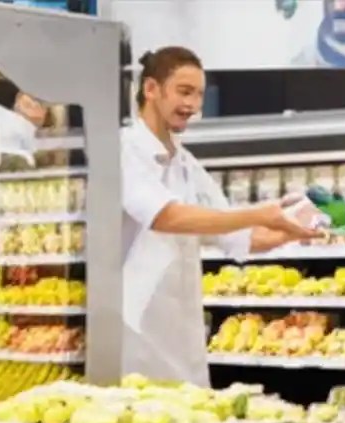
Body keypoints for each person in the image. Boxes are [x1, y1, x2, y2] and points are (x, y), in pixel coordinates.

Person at [122, 46, 319, 385]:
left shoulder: (186, 164)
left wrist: (293, 228)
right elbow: (166, 217)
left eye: (199, 95)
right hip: (135, 333)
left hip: (183, 337)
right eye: (184, 92)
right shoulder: (124, 149)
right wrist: (258, 213)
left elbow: (239, 236)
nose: (193, 105)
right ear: (151, 89)